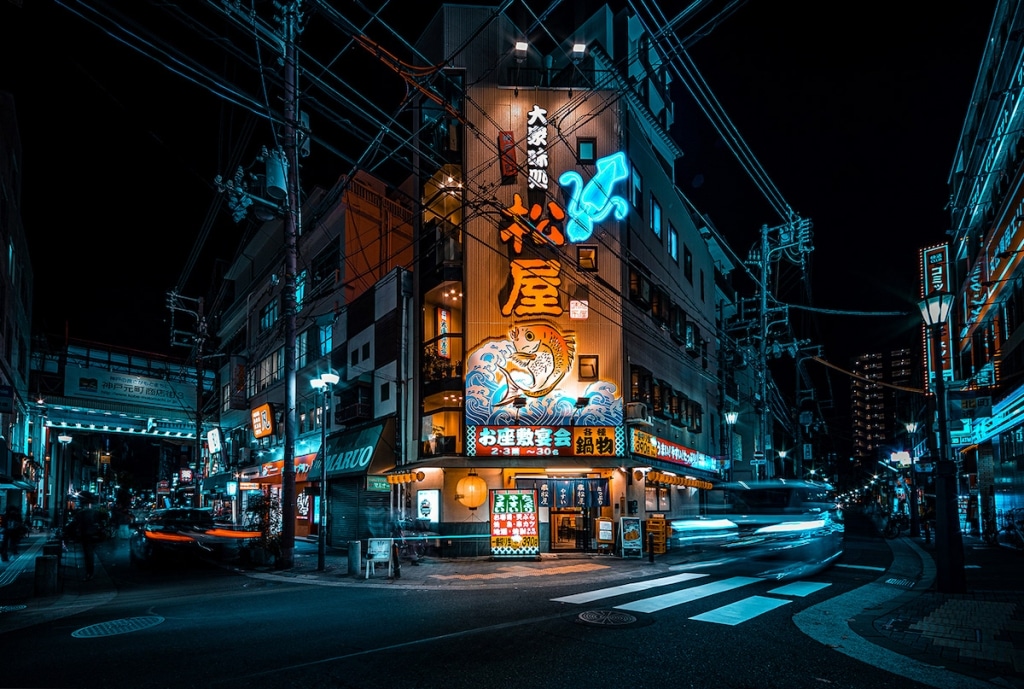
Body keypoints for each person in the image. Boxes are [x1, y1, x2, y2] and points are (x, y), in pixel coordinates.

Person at [74, 495, 103, 580]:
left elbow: (76, 523)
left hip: (86, 535)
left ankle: (89, 573)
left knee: (88, 554)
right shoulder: (96, 513)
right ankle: (90, 572)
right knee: (90, 554)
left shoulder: (81, 513)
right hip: (93, 534)